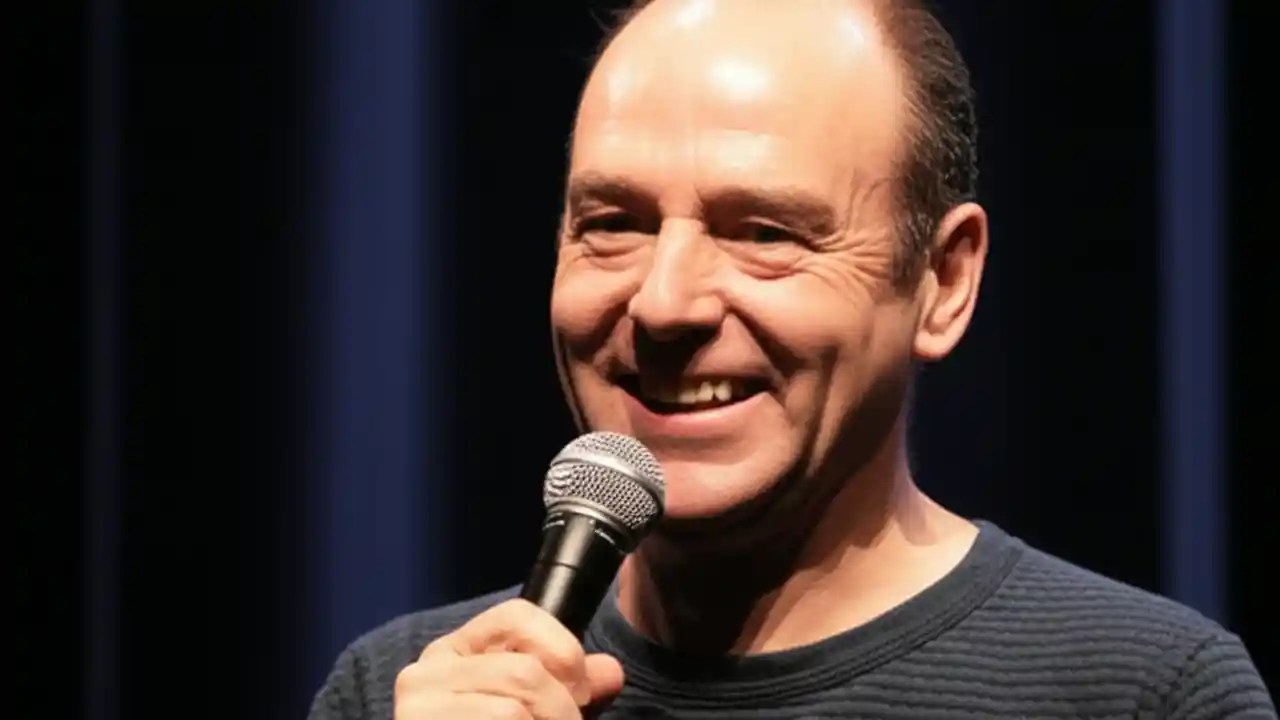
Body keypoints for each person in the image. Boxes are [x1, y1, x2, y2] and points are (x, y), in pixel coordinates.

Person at [308, 0, 1275, 717]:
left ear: (942, 282)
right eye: (612, 225)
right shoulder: (401, 688)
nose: (663, 303)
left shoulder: (1146, 693)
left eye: (764, 232)